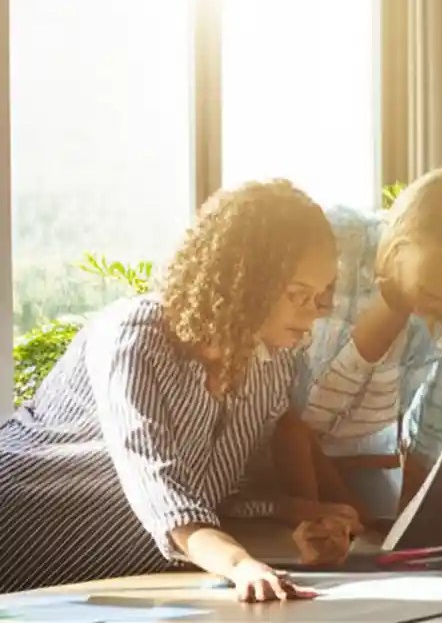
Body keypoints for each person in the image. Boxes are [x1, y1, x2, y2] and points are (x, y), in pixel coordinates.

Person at [0, 180, 344, 600]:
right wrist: (239, 564)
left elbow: (217, 492)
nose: (312, 315)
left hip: (100, 584)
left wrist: (295, 518)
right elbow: (160, 485)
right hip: (14, 549)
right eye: (298, 295)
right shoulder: (133, 338)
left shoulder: (272, 365)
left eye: (321, 297)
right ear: (243, 280)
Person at [285, 164, 442, 522]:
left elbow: (441, 405)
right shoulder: (336, 241)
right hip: (279, 449)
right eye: (432, 294)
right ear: (399, 249)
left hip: (365, 452)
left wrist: (411, 522)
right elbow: (282, 414)